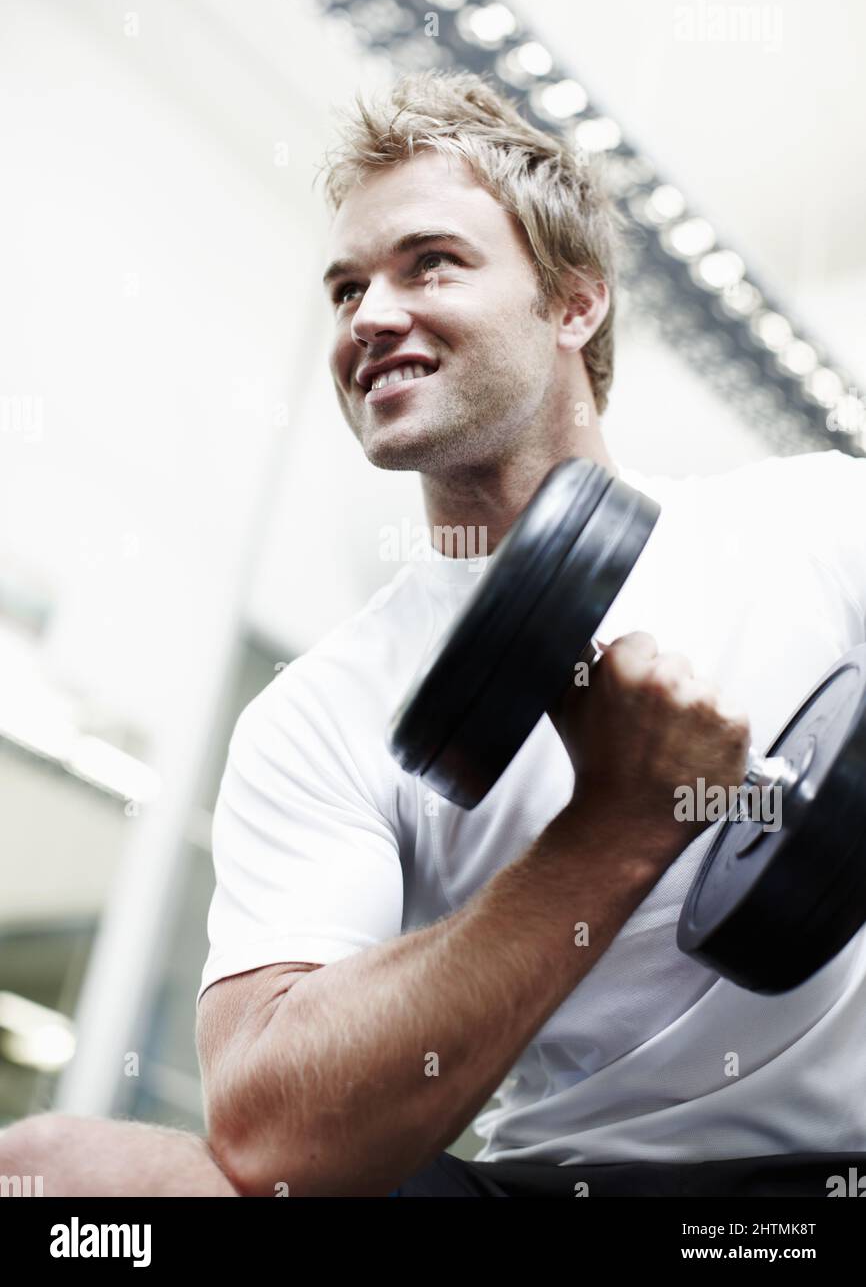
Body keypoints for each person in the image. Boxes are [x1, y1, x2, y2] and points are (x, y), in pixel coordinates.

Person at [3, 72, 865, 1198]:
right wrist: (610, 827)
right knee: (54, 1179)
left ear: (573, 303)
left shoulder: (815, 522)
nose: (368, 314)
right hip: (557, 1189)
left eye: (429, 263)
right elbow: (271, 1138)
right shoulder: (321, 714)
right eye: (346, 287)